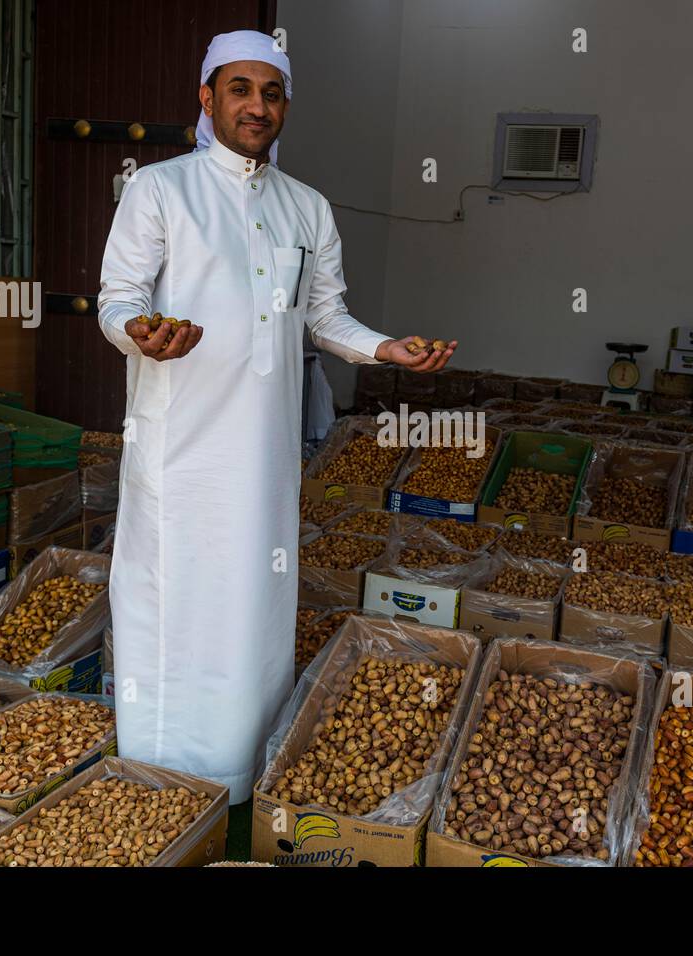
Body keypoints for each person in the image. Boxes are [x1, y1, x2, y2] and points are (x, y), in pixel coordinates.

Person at [97, 30, 456, 802]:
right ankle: (162, 777)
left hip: (264, 457)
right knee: (174, 602)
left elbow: (324, 317)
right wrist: (140, 333)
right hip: (181, 452)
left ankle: (239, 774)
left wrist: (387, 348)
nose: (257, 106)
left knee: (251, 611)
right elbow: (118, 299)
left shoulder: (307, 207)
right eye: (240, 89)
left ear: (285, 103)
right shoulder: (160, 189)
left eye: (272, 92)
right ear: (207, 97)